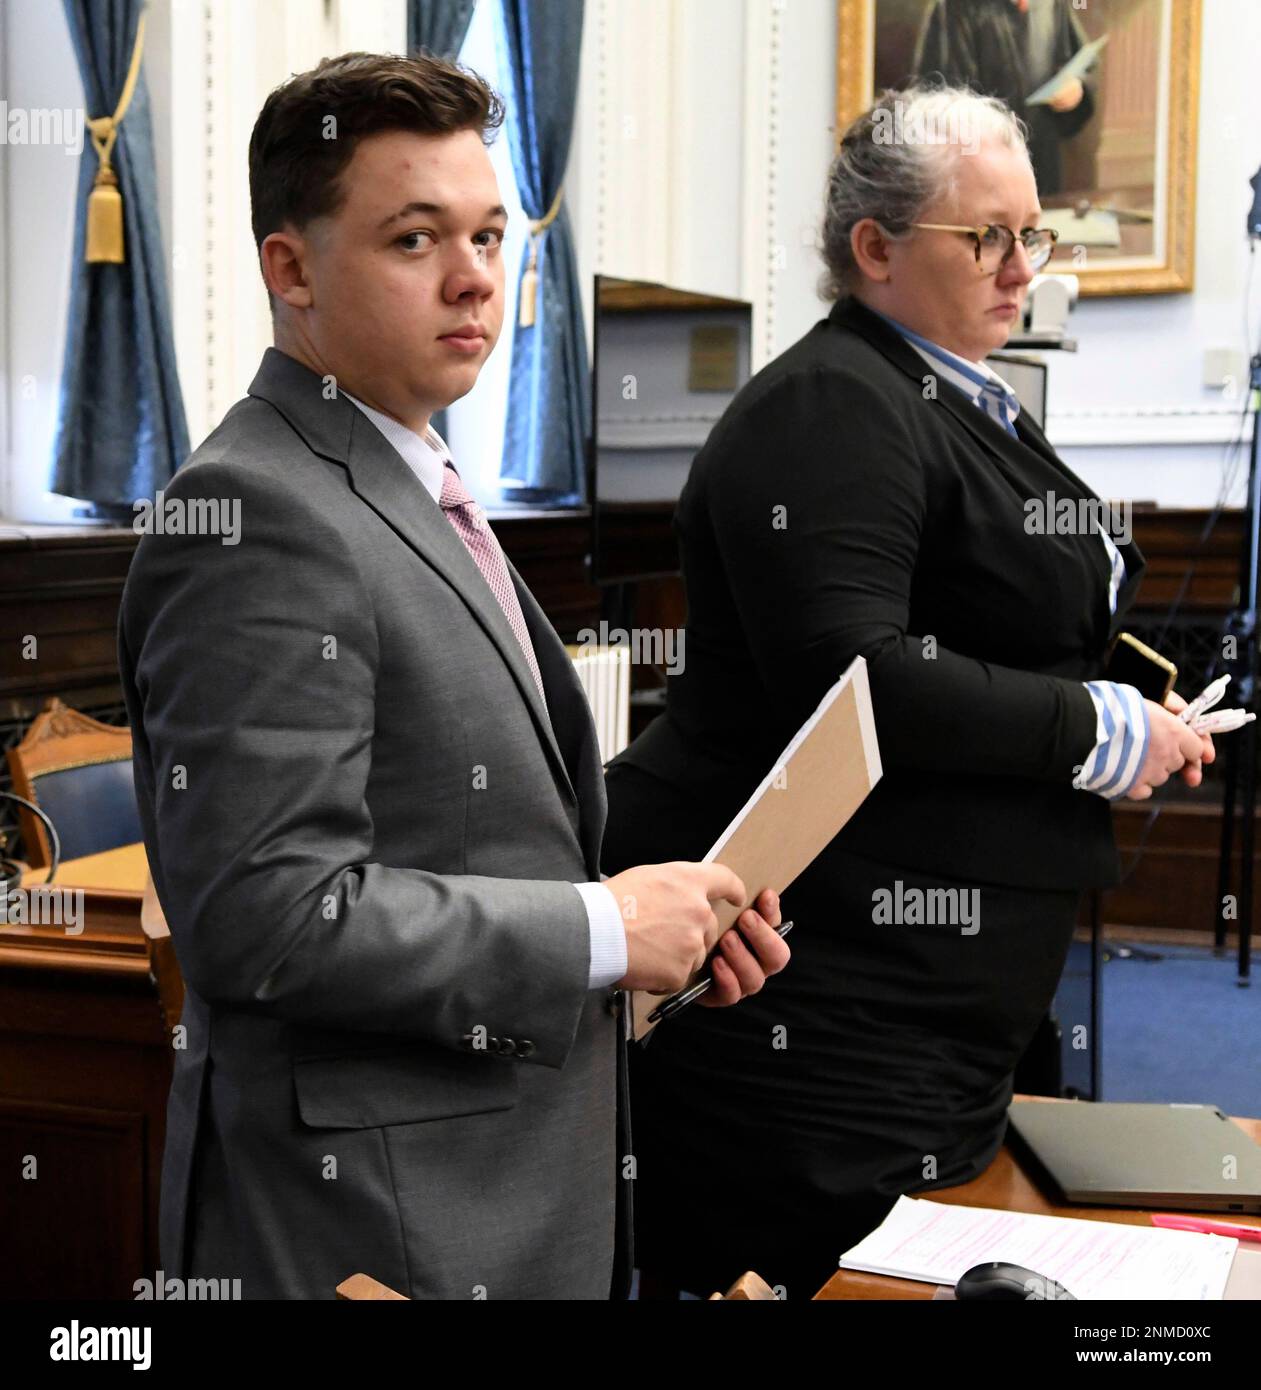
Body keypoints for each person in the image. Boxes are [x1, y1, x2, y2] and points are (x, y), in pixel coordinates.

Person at [118, 50, 788, 1301]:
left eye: (486, 232)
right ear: (291, 267)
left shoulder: (407, 479)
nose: (477, 274)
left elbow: (478, 839)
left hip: (504, 1179)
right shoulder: (257, 508)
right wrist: (599, 928)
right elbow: (265, 918)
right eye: (416, 239)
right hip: (377, 1233)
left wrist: (664, 928)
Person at [600, 84, 1213, 1301]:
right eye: (983, 236)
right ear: (873, 249)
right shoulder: (834, 401)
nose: (1019, 265)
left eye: (1034, 233)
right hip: (829, 998)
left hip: (937, 996)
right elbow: (857, 673)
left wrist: (1127, 706)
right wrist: (1095, 727)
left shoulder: (952, 389)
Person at [913, 0, 1097, 196]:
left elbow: (1078, 62)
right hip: (981, 165)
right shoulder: (953, 7)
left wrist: (1076, 86)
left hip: (1043, 156)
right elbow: (943, 100)